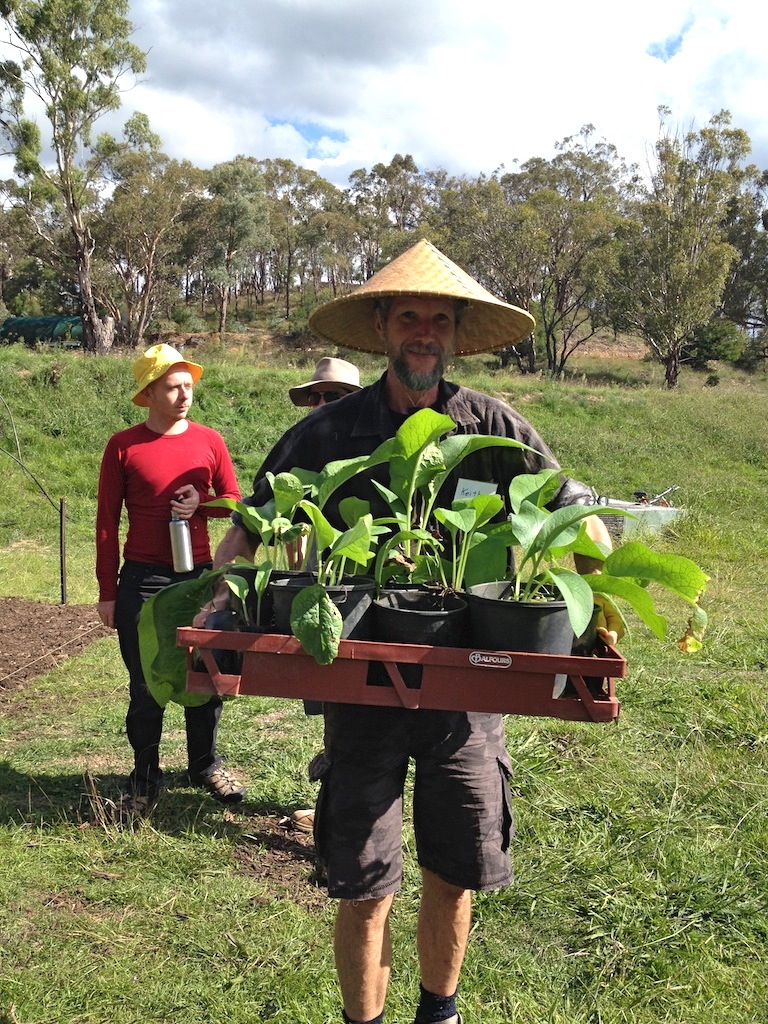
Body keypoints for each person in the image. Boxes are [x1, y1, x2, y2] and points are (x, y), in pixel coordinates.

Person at [211, 239, 615, 1024]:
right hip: (361, 684)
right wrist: (219, 597)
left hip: (467, 688)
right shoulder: (331, 432)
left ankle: (440, 1012)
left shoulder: (491, 426)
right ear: (382, 328)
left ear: (454, 334)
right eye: (408, 318)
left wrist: (594, 576)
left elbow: (573, 509)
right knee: (364, 883)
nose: (423, 333)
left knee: (454, 870)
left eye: (438, 320)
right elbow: (255, 522)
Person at [96, 343, 247, 819]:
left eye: (188, 386)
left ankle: (204, 766)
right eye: (172, 387)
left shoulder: (209, 440)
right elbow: (106, 523)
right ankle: (144, 777)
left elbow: (234, 501)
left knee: (204, 677)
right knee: (146, 684)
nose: (184, 395)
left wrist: (202, 503)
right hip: (141, 580)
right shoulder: (124, 445)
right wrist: (107, 593)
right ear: (149, 393)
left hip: (198, 578)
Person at [288, 355, 362, 834]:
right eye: (313, 397)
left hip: (358, 584)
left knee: (354, 690)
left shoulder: (368, 450)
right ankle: (334, 796)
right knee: (327, 686)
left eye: (329, 397)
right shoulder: (307, 447)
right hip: (318, 579)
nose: (317, 404)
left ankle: (342, 805)